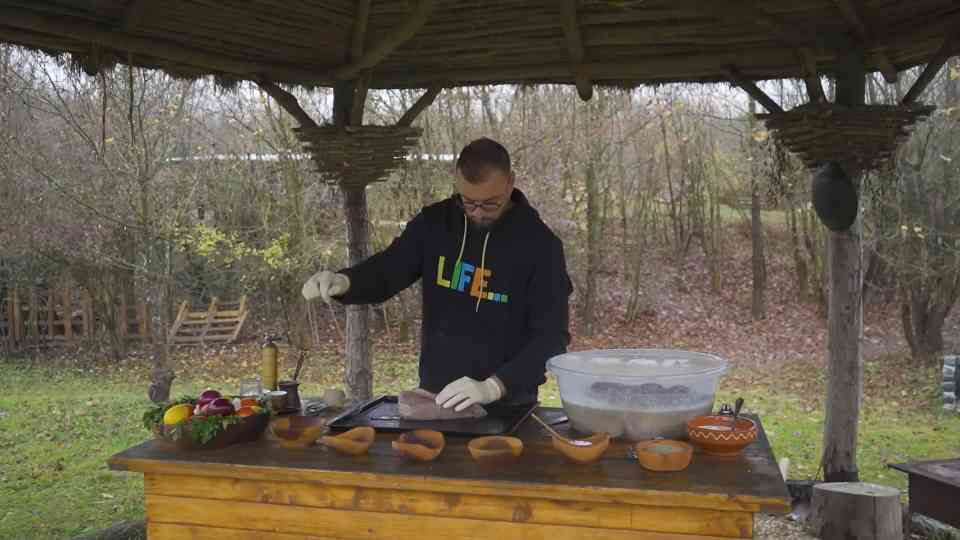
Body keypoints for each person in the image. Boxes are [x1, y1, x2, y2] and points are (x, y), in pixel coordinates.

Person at [303, 138, 573, 412]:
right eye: (469, 202)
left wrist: (494, 386)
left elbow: (551, 337)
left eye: (490, 204)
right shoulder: (435, 224)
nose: (478, 213)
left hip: (508, 402)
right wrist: (345, 282)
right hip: (436, 398)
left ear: (510, 182)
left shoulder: (540, 246)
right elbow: (388, 270)